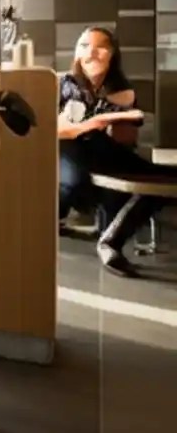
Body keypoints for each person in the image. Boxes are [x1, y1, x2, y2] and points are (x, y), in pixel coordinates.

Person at [57, 26, 163, 277]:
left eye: (100, 47)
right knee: (76, 180)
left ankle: (111, 241)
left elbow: (125, 140)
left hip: (103, 151)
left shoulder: (122, 90)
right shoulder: (66, 84)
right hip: (69, 151)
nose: (91, 52)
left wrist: (122, 117)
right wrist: (104, 117)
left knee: (162, 182)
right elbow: (64, 131)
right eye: (84, 46)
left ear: (112, 55)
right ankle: (66, 221)